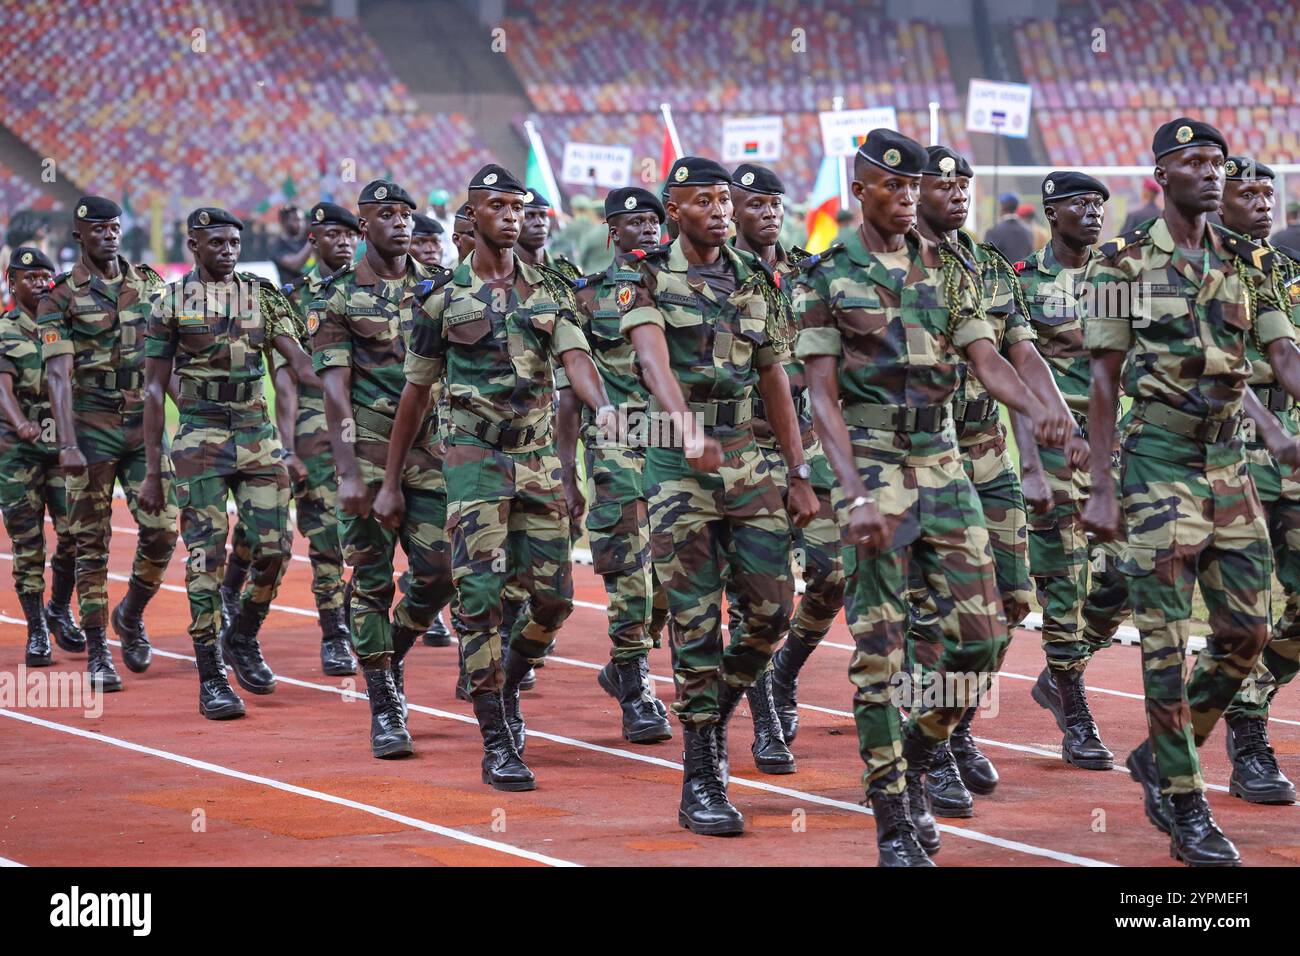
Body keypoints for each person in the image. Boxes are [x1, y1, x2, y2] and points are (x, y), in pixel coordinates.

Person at [796, 130, 1066, 866]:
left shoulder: (948, 269)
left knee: (984, 634)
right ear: (862, 189)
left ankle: (918, 751)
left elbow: (986, 359)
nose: (908, 195)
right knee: (881, 652)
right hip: (874, 465)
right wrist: (849, 493)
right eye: (894, 183)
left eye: (914, 184)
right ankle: (890, 813)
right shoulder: (825, 277)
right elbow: (820, 394)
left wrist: (1038, 406)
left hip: (944, 465)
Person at [1082, 118, 1300, 866]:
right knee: (1167, 647)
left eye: (1218, 162)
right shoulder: (1119, 264)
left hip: (1228, 463)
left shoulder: (1249, 259)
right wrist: (1103, 485)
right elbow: (1103, 381)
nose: (1212, 173)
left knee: (1248, 633)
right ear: (1161, 177)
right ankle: (1187, 803)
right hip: (1157, 463)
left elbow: (1282, 353)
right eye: (1195, 162)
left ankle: (1161, 754)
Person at [375, 164, 615, 792]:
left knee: (555, 598)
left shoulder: (550, 291)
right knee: (478, 598)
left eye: (519, 205)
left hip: (534, 457)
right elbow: (415, 394)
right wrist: (391, 481)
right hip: (471, 458)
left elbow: (575, 364)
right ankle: (495, 731)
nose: (513, 215)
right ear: (473, 217)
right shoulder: (441, 299)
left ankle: (505, 680)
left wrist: (606, 410)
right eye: (500, 206)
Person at [622, 156, 815, 835]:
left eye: (723, 200)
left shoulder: (757, 277)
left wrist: (798, 473)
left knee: (771, 611)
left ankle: (714, 709)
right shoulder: (643, 274)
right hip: (680, 469)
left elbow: (776, 377)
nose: (721, 210)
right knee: (697, 624)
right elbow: (652, 358)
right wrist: (682, 426)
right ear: (674, 210)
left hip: (750, 460)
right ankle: (702, 773)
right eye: (703, 201)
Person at [908, 145, 1076, 817]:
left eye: (964, 185)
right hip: (919, 462)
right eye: (941, 184)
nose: (956, 195)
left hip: (984, 456)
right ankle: (935, 748)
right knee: (932, 614)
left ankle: (951, 722)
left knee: (1008, 603)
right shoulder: (896, 268)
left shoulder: (984, 267)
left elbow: (1020, 349)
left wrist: (1055, 422)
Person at [142, 207, 315, 718]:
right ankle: (211, 676)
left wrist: (349, 366)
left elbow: (299, 363)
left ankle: (242, 635)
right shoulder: (170, 302)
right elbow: (153, 388)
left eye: (235, 242)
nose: (229, 250)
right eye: (217, 242)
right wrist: (153, 471)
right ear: (194, 245)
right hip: (199, 435)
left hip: (256, 434)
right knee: (204, 555)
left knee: (274, 548)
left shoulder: (262, 295)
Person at [310, 180, 455, 759]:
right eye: (386, 215)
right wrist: (348, 472)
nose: (400, 224)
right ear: (363, 226)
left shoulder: (438, 289)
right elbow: (335, 392)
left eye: (406, 215)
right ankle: (384, 703)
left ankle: (390, 650)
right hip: (368, 454)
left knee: (442, 571)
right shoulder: (338, 296)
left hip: (433, 454)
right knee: (370, 579)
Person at [728, 162, 844, 771]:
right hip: (741, 454)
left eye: (776, 201)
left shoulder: (808, 273)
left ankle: (784, 673)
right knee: (758, 598)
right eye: (755, 202)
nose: (769, 211)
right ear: (731, 209)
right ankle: (765, 722)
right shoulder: (714, 277)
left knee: (831, 574)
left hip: (807, 451)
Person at [38, 197, 178, 692]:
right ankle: (99, 650)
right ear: (79, 235)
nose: (109, 236)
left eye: (114, 227)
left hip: (143, 426)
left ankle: (131, 613)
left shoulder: (151, 284)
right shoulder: (59, 297)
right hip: (91, 425)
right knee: (89, 544)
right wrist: (68, 443)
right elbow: (57, 376)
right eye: (98, 229)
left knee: (162, 530)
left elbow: (169, 360)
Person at [1017, 171, 1130, 769]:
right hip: (1057, 448)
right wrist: (1033, 467)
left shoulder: (1117, 277)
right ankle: (1075, 709)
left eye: (1100, 204)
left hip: (1113, 445)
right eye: (1080, 203)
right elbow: (1014, 375)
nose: (1093, 212)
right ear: (1051, 212)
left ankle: (1061, 673)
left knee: (1128, 573)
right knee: (1063, 579)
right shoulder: (1026, 283)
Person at [556, 186, 673, 745]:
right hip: (617, 441)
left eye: (654, 220)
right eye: (634, 222)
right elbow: (570, 388)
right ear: (612, 233)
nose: (647, 229)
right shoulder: (587, 298)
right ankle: (634, 679)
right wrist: (566, 468)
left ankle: (630, 656)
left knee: (677, 569)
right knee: (629, 560)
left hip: (676, 438)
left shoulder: (682, 288)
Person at [226, 201, 360, 677]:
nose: (343, 242)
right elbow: (283, 378)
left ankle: (233, 590)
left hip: (363, 426)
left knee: (349, 533)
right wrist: (284, 446)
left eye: (350, 234)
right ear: (314, 240)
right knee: (321, 532)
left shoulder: (372, 292)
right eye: (333, 234)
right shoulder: (294, 299)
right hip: (311, 426)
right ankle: (334, 634)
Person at [1215, 155, 1300, 805]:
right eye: (1246, 191)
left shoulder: (1288, 275)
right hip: (1231, 450)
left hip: (1292, 450)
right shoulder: (1201, 272)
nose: (1261, 201)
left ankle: (1251, 692)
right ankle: (1248, 739)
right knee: (1245, 606)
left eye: (1268, 192)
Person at [0, 247, 81, 666]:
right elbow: (2, 389)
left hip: (62, 446)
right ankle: (36, 631)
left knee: (73, 534)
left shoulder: (63, 327)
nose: (40, 283)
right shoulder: (5, 330)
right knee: (28, 543)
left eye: (46, 276)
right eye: (30, 277)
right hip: (18, 451)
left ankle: (59, 608)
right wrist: (20, 424)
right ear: (11, 281)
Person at [984, 192, 1034, 264]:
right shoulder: (1028, 231)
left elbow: (986, 258)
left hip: (1000, 274)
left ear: (1002, 207)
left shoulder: (993, 231)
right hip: (1023, 274)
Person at [269, 204, 312, 287]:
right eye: (296, 220)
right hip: (291, 295)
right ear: (284, 222)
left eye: (302, 220)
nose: (301, 224)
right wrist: (312, 240)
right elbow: (295, 265)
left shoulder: (305, 241)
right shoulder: (277, 245)